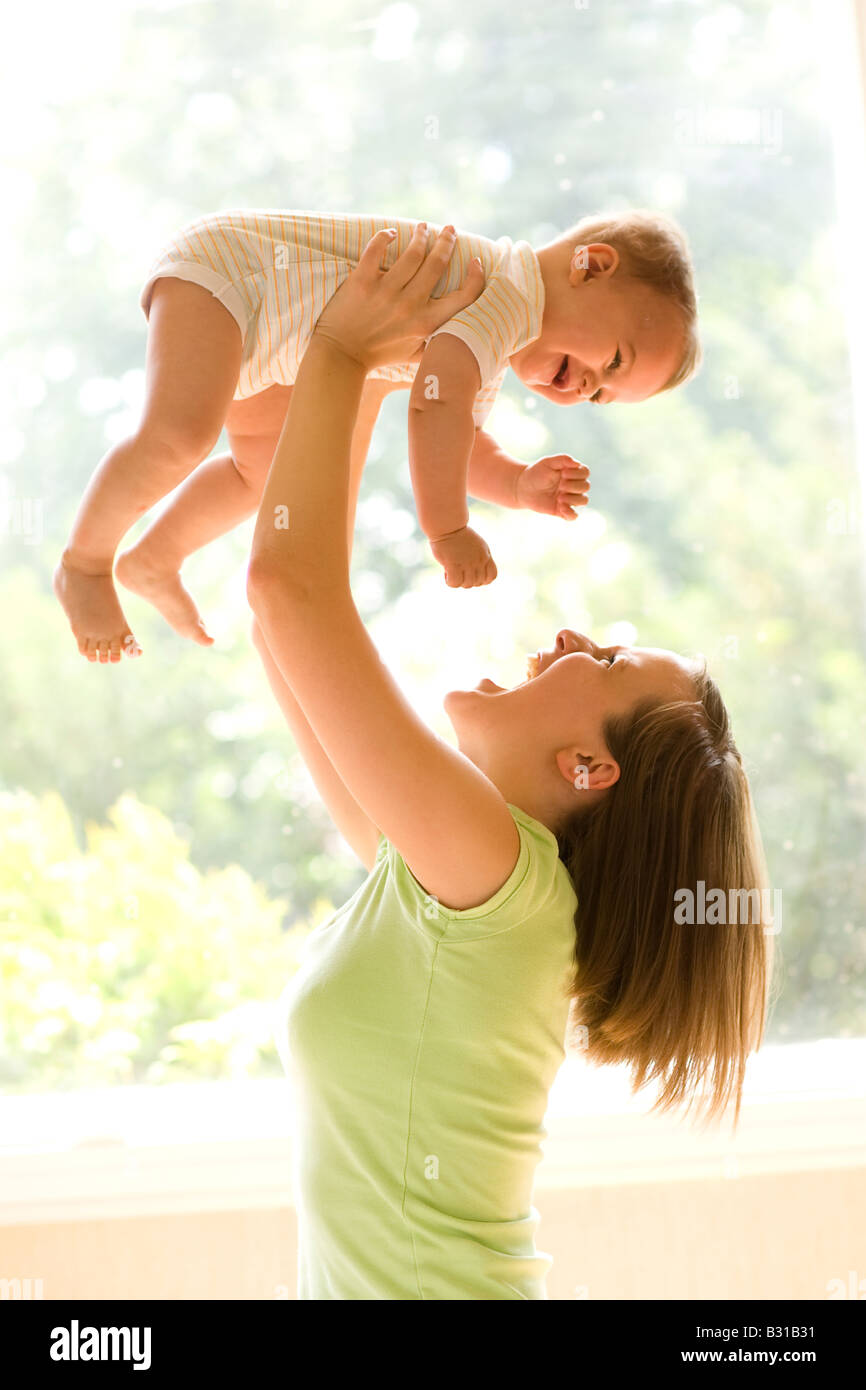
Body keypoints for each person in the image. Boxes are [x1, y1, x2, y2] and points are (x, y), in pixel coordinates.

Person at [246, 224, 774, 1301]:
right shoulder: (472, 885)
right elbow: (283, 623)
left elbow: (287, 593)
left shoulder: (489, 877)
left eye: (606, 658)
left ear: (589, 763)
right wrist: (353, 371)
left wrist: (345, 357)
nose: (568, 637)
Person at [54, 205, 699, 662]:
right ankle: (84, 564)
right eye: (611, 361)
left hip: (273, 341)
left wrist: (518, 485)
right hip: (234, 279)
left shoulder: (498, 340)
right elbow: (434, 408)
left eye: (604, 394)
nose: (587, 388)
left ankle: (156, 558)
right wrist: (447, 530)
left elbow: (467, 444)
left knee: (260, 474)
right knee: (178, 436)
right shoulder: (507, 294)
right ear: (591, 265)